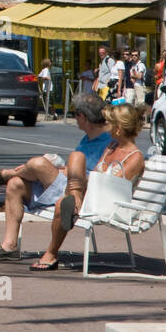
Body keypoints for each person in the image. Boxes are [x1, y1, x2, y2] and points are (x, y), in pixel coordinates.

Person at [0, 93, 114, 261]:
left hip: (80, 193)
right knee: (15, 184)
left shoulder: (108, 140)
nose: (75, 119)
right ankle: (9, 246)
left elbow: (91, 175)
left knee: (38, 164)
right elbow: (75, 167)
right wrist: (59, 168)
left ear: (82, 116)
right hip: (68, 184)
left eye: (75, 115)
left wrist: (54, 170)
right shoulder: (88, 137)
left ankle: (8, 173)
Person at [31, 102, 146, 271]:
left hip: (111, 203)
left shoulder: (135, 157)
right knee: (76, 157)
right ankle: (75, 199)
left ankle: (51, 253)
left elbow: (112, 186)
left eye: (110, 123)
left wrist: (85, 181)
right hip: (94, 192)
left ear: (119, 128)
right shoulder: (111, 146)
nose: (107, 127)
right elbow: (97, 174)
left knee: (63, 202)